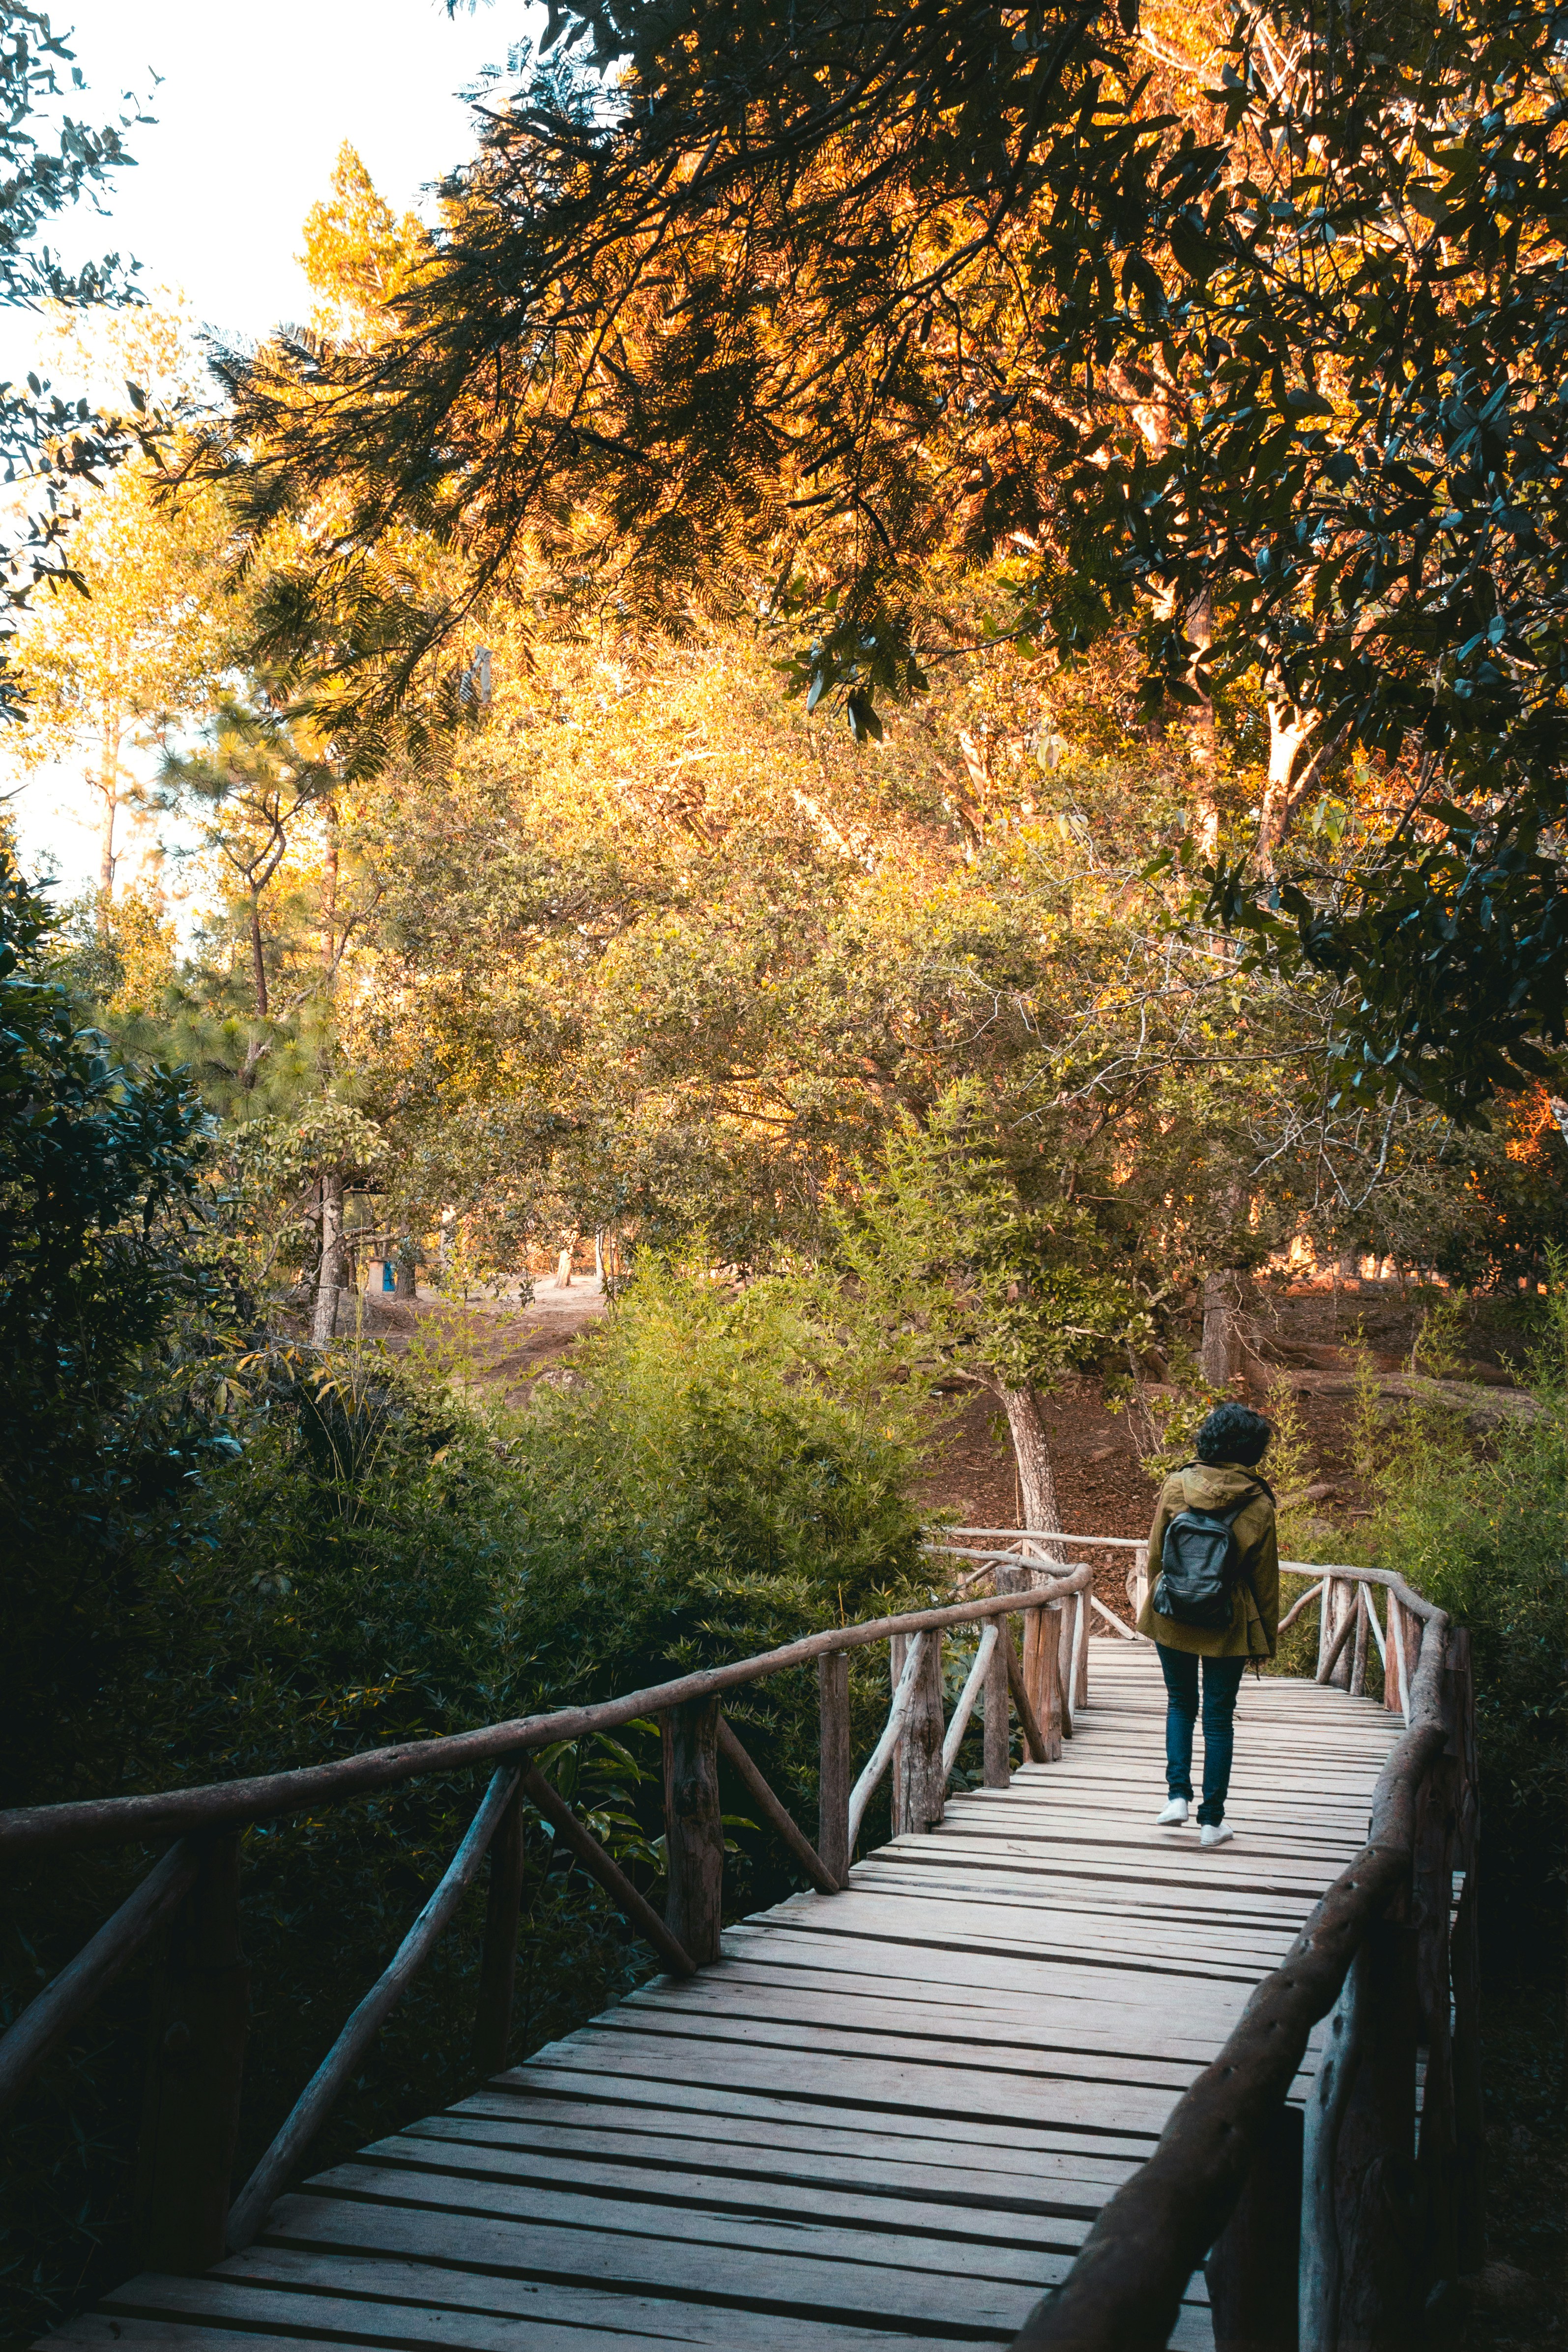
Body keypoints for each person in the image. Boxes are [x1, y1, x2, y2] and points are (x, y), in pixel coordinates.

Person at [1136, 1401, 1279, 1848]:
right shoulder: (1258, 1501)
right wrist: (1265, 1639)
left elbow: (1157, 1553)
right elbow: (1265, 1580)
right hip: (1228, 1620)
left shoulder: (1177, 1484)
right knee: (1218, 1720)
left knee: (1180, 1703)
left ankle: (1177, 1796)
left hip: (1173, 1611)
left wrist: (1163, 1593)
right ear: (1252, 1449)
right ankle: (1211, 1821)